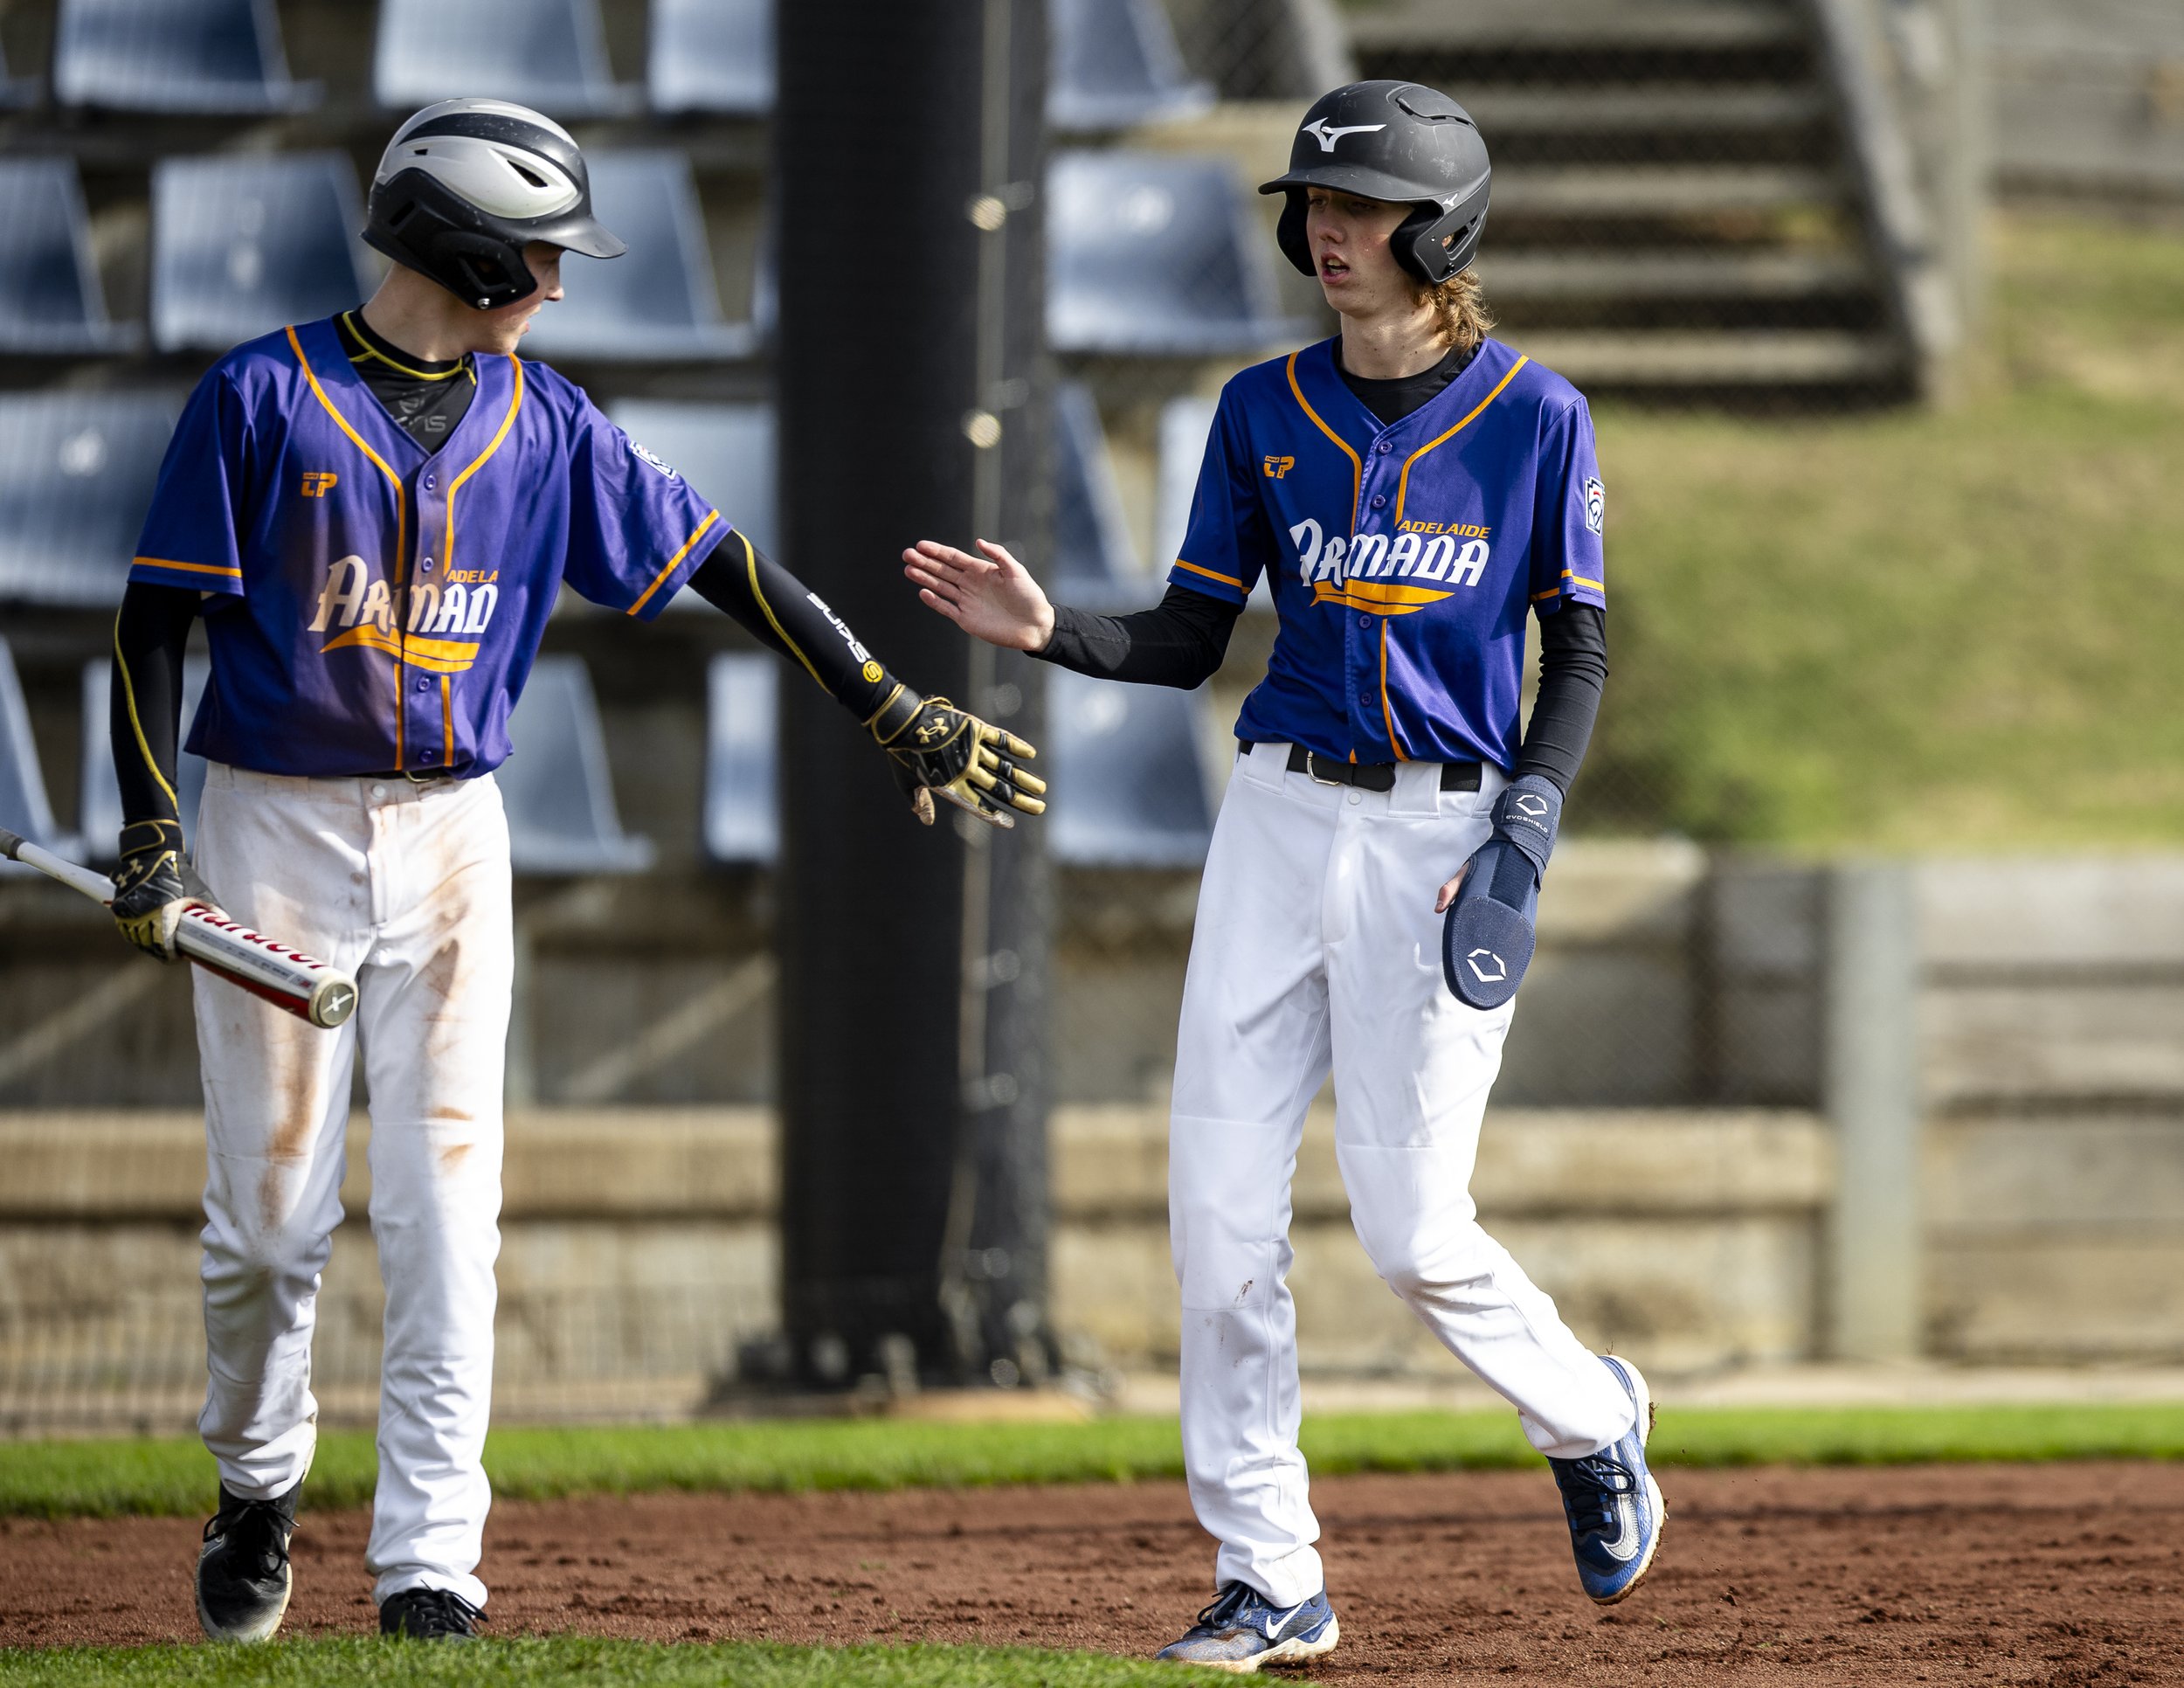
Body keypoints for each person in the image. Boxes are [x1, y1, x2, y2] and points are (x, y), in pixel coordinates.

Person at [109, 97, 1043, 1644]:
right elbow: (156, 621)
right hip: (270, 821)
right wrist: (151, 833)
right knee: (268, 1228)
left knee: (445, 1212)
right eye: (538, 258)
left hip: (453, 835)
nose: (555, 284)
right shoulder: (262, 396)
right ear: (466, 252)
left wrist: (890, 704)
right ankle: (259, 1483)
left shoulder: (546, 420)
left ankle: (429, 1568)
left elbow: (726, 560)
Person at [904, 79, 1659, 1672]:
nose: (1325, 225)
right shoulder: (1262, 413)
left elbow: (1576, 649)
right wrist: (1055, 636)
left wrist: (1524, 832)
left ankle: (1590, 1417)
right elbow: (1189, 637)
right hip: (1277, 818)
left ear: (1440, 230)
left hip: (1445, 832)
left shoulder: (1536, 416)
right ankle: (1272, 1573)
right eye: (1312, 200)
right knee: (1216, 1224)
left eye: (1362, 204)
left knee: (1410, 1231)